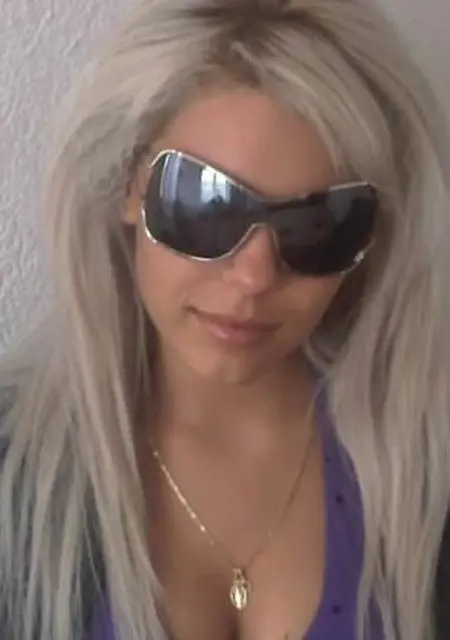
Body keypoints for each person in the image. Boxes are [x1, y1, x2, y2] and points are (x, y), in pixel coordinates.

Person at [1, 0, 450, 638]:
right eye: (206, 204)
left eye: (317, 225)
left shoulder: (428, 465)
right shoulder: (14, 465)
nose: (254, 277)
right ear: (130, 186)